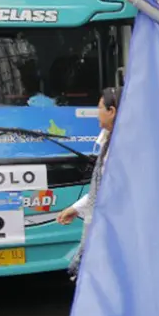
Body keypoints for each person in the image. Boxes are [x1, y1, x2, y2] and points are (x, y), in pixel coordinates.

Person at [57, 87, 120, 280]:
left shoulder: (123, 148)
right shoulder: (107, 141)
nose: (96, 114)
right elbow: (100, 190)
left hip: (116, 231)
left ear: (112, 112)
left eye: (100, 108)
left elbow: (111, 191)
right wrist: (76, 208)